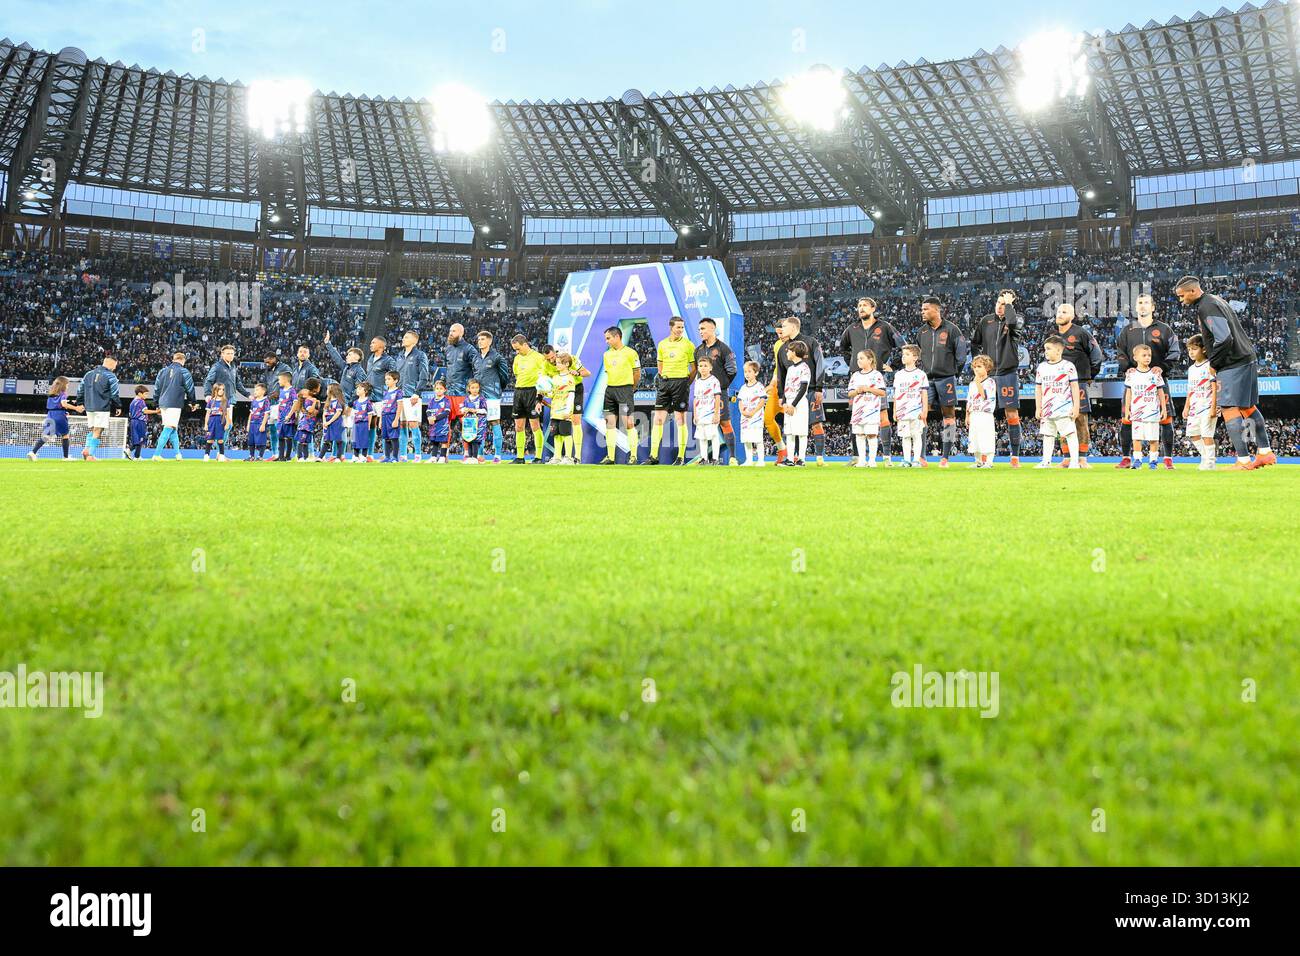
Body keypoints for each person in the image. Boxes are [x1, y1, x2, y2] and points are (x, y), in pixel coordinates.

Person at [1175, 275, 1276, 470]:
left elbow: (1224, 338)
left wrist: (1214, 362)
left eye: (1182, 296)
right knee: (1247, 407)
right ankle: (1265, 452)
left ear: (1193, 291)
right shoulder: (1216, 300)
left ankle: (1244, 460)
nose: (1181, 300)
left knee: (1229, 409)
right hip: (1245, 358)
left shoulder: (1207, 306)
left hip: (1232, 364)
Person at [1115, 293, 1180, 469]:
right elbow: (1120, 352)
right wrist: (1126, 366)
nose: (1142, 306)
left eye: (1146, 303)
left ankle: (1167, 458)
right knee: (1127, 418)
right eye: (1139, 303)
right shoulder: (1127, 330)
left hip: (1158, 380)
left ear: (1152, 307)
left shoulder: (1165, 329)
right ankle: (1127, 457)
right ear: (1136, 308)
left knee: (1165, 419)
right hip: (1134, 381)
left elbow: (1175, 352)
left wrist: (1164, 367)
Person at [840, 297, 903, 465]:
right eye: (859, 306)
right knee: (856, 417)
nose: (861, 308)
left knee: (883, 417)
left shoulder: (885, 327)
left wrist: (893, 365)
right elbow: (843, 347)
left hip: (878, 376)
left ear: (873, 308)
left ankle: (887, 456)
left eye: (865, 306)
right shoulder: (852, 328)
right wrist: (853, 363)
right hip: (857, 378)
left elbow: (902, 345)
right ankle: (857, 457)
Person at [969, 290, 1023, 468]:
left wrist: (1009, 306)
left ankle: (1014, 456)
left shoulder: (1016, 318)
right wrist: (979, 365)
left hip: (1008, 373)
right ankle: (983, 457)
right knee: (983, 414)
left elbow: (1013, 323)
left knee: (1011, 414)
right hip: (989, 375)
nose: (1000, 307)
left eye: (1004, 304)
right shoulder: (986, 321)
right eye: (999, 303)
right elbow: (975, 342)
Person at [916, 295, 968, 467]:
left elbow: (961, 357)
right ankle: (921, 456)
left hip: (946, 378)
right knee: (921, 415)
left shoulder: (952, 330)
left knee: (949, 417)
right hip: (926, 381)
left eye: (925, 309)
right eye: (922, 309)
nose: (922, 312)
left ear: (937, 309)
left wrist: (952, 374)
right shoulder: (921, 332)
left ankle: (945, 457)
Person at [1051, 303, 1103, 467]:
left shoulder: (1081, 333)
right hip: (1059, 386)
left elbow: (1097, 355)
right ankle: (1066, 457)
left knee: (1080, 419)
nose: (1060, 313)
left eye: (1064, 311)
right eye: (1058, 311)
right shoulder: (1052, 335)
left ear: (1072, 316)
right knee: (1062, 421)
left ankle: (1082, 457)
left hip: (1079, 383)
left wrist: (1090, 375)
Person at [774, 316, 826, 464]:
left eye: (784, 327)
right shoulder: (782, 348)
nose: (781, 330)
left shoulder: (810, 342)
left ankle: (819, 456)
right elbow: (781, 374)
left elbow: (820, 364)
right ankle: (793, 457)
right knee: (790, 427)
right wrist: (780, 395)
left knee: (815, 423)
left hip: (809, 390)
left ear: (793, 327)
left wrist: (819, 388)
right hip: (790, 395)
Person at [648, 316, 695, 465]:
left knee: (680, 419)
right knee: (658, 419)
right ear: (671, 327)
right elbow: (660, 365)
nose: (680, 330)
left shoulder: (688, 345)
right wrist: (663, 378)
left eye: (682, 327)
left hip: (681, 383)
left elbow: (693, 368)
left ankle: (680, 457)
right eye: (678, 327)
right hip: (665, 383)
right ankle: (653, 456)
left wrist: (686, 383)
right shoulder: (662, 344)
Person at [695, 318, 740, 465]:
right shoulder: (698, 350)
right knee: (703, 425)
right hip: (702, 397)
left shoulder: (723, 349)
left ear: (712, 329)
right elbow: (697, 372)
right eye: (699, 329)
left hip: (718, 394)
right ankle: (704, 458)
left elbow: (732, 370)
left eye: (703, 329)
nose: (700, 332)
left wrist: (721, 387)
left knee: (724, 423)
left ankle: (732, 457)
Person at [1033, 335, 1081, 469]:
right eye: (1045, 349)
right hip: (1047, 408)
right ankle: (1046, 461)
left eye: (1048, 349)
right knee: (1048, 435)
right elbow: (1038, 388)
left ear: (1059, 351)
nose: (1046, 352)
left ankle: (1074, 462)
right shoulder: (1041, 367)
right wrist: (1038, 407)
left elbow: (1074, 387)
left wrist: (1076, 406)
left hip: (1064, 407)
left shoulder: (1068, 366)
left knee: (1070, 434)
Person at [598, 326, 641, 465]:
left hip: (624, 391)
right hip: (610, 391)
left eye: (608, 338)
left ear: (617, 337)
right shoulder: (606, 355)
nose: (607, 341)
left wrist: (631, 388)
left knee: (628, 422)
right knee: (609, 423)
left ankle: (633, 456)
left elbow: (637, 373)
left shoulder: (631, 353)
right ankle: (610, 457)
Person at [1123, 344, 1168, 470]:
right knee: (1137, 438)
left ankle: (1153, 461)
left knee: (1153, 438)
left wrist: (1163, 409)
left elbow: (1160, 392)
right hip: (1137, 411)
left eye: (1149, 355)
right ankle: (1137, 460)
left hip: (1152, 411)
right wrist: (1127, 410)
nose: (1147, 358)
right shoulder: (1131, 374)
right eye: (1144, 355)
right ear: (1135, 357)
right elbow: (1128, 393)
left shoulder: (1155, 374)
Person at [472, 330, 513, 462]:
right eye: (479, 340)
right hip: (479, 396)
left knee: (494, 422)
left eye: (483, 339)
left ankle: (497, 455)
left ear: (489, 341)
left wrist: (497, 389)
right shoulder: (476, 358)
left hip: (492, 396)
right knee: (478, 424)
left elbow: (505, 376)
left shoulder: (497, 357)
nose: (480, 342)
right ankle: (480, 455)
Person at [1182, 334, 1219, 471]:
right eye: (1189, 349)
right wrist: (1187, 406)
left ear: (1203, 349)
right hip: (1194, 405)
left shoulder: (1210, 365)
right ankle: (1206, 457)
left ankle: (1210, 462)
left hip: (1208, 404)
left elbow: (1215, 387)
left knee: (1206, 434)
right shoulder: (1191, 369)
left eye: (1194, 348)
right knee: (1193, 434)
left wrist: (1214, 407)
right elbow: (1190, 389)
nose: (1191, 352)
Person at [509, 334, 548, 464]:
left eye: (518, 348)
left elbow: (544, 377)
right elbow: (516, 374)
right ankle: (520, 457)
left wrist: (539, 397)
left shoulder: (539, 357)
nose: (517, 351)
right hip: (519, 392)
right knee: (518, 426)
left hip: (532, 391)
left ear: (525, 344)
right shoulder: (517, 359)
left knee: (534, 425)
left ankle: (538, 457)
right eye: (515, 349)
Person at [152, 351, 196, 461]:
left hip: (163, 402)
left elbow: (157, 388)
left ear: (173, 359)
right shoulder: (184, 371)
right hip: (174, 402)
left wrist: (156, 402)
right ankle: (156, 455)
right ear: (183, 360)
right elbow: (190, 388)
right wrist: (193, 402)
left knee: (173, 428)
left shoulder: (162, 371)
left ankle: (178, 455)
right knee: (168, 427)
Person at [77, 353, 121, 461]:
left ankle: (86, 450)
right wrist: (118, 406)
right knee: (98, 430)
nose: (115, 368)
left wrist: (80, 402)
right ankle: (90, 455)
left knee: (93, 429)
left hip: (89, 405)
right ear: (112, 363)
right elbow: (114, 393)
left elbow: (80, 389)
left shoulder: (88, 374)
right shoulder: (111, 376)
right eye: (115, 365)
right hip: (102, 406)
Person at [847, 350, 887, 467]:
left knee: (871, 435)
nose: (859, 361)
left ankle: (872, 460)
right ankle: (862, 460)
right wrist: (857, 391)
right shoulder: (855, 375)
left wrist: (868, 389)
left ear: (870, 360)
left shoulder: (876, 375)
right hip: (858, 411)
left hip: (872, 410)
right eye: (858, 358)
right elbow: (849, 393)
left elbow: (882, 392)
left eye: (862, 358)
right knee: (859, 435)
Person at [394, 331, 429, 462]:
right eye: (403, 337)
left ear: (414, 341)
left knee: (413, 424)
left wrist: (417, 392)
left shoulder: (420, 355)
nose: (403, 339)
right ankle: (403, 455)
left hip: (412, 395)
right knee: (402, 425)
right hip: (400, 396)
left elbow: (424, 375)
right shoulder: (399, 356)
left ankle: (418, 455)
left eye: (406, 337)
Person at [891, 345, 929, 468]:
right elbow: (896, 395)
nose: (904, 356)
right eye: (903, 354)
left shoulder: (921, 374)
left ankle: (916, 460)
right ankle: (906, 460)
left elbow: (924, 394)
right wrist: (894, 411)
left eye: (907, 354)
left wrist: (925, 411)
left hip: (916, 411)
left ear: (915, 358)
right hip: (902, 411)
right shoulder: (899, 375)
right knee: (905, 436)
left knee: (916, 435)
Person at [27, 376, 81, 461]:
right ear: (63, 385)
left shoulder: (51, 394)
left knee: (46, 436)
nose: (68, 386)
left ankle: (33, 452)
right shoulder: (63, 394)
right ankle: (66, 457)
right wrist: (76, 408)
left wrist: (65, 409)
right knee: (65, 435)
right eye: (67, 385)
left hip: (50, 415)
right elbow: (63, 404)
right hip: (59, 416)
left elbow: (57, 405)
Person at [443, 323, 477, 456]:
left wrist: (472, 388)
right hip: (449, 393)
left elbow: (477, 368)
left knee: (467, 424)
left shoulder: (469, 349)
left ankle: (468, 454)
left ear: (461, 333)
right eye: (450, 330)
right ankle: (443, 454)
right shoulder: (448, 349)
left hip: (463, 393)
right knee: (445, 425)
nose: (451, 333)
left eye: (454, 331)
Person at [778, 340, 812, 466]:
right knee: (789, 431)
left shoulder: (804, 368)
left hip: (799, 402)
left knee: (801, 431)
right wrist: (785, 403)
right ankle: (790, 459)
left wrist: (793, 404)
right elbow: (787, 387)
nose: (786, 352)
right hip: (789, 402)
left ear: (794, 352)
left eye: (789, 350)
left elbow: (803, 388)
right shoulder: (791, 368)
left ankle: (802, 459)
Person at [966, 355, 997, 469]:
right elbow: (969, 400)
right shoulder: (971, 384)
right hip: (974, 413)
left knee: (986, 436)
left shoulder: (990, 382)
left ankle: (989, 461)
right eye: (974, 367)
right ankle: (978, 461)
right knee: (975, 437)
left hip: (985, 413)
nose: (976, 369)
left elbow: (984, 396)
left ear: (987, 368)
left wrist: (978, 382)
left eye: (979, 366)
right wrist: (967, 415)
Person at [546, 355, 578, 464]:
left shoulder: (570, 378)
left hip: (564, 411)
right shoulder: (555, 378)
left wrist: (568, 410)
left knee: (566, 434)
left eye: (559, 363)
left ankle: (568, 457)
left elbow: (571, 396)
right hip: (554, 411)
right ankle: (557, 457)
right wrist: (544, 391)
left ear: (567, 364)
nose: (557, 364)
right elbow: (552, 394)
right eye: (557, 362)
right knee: (556, 434)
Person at [692, 355, 723, 464]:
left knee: (713, 435)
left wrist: (716, 413)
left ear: (710, 368)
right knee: (702, 437)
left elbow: (717, 397)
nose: (703, 368)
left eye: (705, 366)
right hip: (700, 413)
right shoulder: (698, 382)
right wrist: (695, 415)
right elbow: (695, 399)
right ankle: (704, 458)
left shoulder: (714, 381)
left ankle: (715, 458)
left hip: (711, 412)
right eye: (701, 366)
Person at [736, 360, 767, 466]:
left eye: (749, 371)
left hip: (756, 417)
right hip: (745, 418)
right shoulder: (743, 388)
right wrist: (742, 411)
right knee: (746, 439)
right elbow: (739, 401)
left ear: (756, 373)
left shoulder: (759, 386)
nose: (747, 374)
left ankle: (761, 460)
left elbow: (762, 401)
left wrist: (753, 412)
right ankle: (749, 460)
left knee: (758, 439)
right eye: (745, 372)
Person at [293, 378, 322, 461]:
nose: (307, 391)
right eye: (305, 391)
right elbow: (310, 411)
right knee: (301, 441)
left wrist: (317, 403)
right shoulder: (307, 401)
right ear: (304, 395)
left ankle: (306, 457)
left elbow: (315, 412)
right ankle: (300, 457)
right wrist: (314, 403)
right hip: (305, 425)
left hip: (310, 425)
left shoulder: (311, 400)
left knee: (306, 442)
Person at [124, 385, 156, 460]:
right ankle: (134, 454)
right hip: (140, 422)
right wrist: (156, 411)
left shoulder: (132, 402)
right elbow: (145, 411)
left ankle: (136, 455)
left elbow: (130, 413)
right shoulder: (141, 401)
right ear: (139, 393)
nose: (146, 396)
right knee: (140, 439)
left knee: (137, 439)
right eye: (145, 394)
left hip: (133, 421)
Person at [460, 379, 488, 463]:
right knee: (469, 439)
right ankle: (470, 457)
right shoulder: (467, 399)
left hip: (478, 423)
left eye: (476, 387)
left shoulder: (481, 399)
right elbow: (462, 409)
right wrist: (464, 409)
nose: (475, 389)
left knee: (475, 440)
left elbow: (485, 410)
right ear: (469, 389)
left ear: (479, 388)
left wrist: (475, 410)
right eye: (472, 387)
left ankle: (475, 457)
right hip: (469, 423)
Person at [426, 380, 452, 462]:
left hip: (442, 424)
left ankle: (442, 457)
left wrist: (435, 418)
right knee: (434, 441)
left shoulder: (446, 400)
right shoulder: (432, 400)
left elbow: (447, 412)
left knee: (443, 441)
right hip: (433, 425)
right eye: (437, 388)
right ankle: (433, 457)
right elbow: (428, 410)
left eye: (441, 388)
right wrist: (429, 417)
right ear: (434, 390)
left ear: (445, 390)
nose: (439, 390)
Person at [274, 371, 298, 462]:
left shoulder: (292, 390)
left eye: (279, 379)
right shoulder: (281, 390)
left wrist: (289, 414)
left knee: (288, 437)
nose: (278, 381)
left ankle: (287, 456)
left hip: (288, 418)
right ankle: (281, 457)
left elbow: (295, 402)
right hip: (280, 417)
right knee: (280, 436)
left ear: (285, 380)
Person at [380, 371, 402, 462]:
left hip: (392, 416)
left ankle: (395, 457)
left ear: (395, 380)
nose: (387, 381)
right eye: (386, 379)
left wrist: (396, 419)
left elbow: (400, 406)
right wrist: (380, 420)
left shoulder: (398, 392)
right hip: (385, 416)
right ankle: (387, 457)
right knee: (386, 438)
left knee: (394, 437)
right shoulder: (385, 393)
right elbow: (383, 407)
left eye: (389, 379)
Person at [203, 384, 229, 462]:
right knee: (209, 440)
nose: (221, 391)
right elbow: (207, 414)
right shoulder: (211, 401)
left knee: (220, 440)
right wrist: (206, 424)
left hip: (220, 422)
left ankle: (221, 455)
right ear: (215, 390)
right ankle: (206, 455)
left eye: (223, 389)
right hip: (211, 421)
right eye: (219, 389)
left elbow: (226, 414)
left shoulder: (225, 401)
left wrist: (227, 423)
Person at [351, 382, 376, 463]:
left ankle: (364, 456)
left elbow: (370, 414)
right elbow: (354, 413)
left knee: (364, 440)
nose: (357, 390)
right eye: (357, 388)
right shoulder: (355, 402)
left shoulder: (368, 402)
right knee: (355, 439)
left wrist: (368, 424)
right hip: (356, 423)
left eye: (360, 388)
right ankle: (355, 455)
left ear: (365, 391)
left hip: (364, 423)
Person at [321, 383, 346, 462]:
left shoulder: (338, 402)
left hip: (336, 423)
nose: (327, 390)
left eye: (328, 389)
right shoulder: (327, 401)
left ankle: (338, 457)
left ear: (333, 390)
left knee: (338, 440)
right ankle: (320, 457)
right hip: (328, 423)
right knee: (326, 440)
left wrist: (329, 422)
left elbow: (338, 413)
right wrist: (324, 422)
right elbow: (324, 413)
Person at [247, 382, 271, 461]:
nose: (255, 392)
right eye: (255, 390)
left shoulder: (266, 400)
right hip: (252, 424)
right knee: (251, 441)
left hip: (260, 423)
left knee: (261, 441)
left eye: (257, 390)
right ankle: (251, 456)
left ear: (263, 391)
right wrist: (248, 424)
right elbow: (251, 413)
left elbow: (266, 413)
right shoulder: (253, 401)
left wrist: (263, 424)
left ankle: (260, 456)